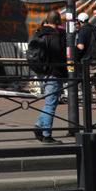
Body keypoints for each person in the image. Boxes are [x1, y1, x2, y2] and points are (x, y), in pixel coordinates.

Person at [29, 11, 69, 143]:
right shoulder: (56, 36)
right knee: (51, 104)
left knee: (49, 102)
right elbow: (59, 55)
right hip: (54, 72)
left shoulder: (39, 33)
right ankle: (46, 135)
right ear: (58, 21)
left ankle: (39, 126)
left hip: (41, 72)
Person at [75, 7, 96, 110]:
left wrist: (74, 50)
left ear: (80, 21)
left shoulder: (82, 31)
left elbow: (81, 47)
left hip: (88, 60)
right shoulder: (94, 28)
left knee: (86, 82)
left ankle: (86, 102)